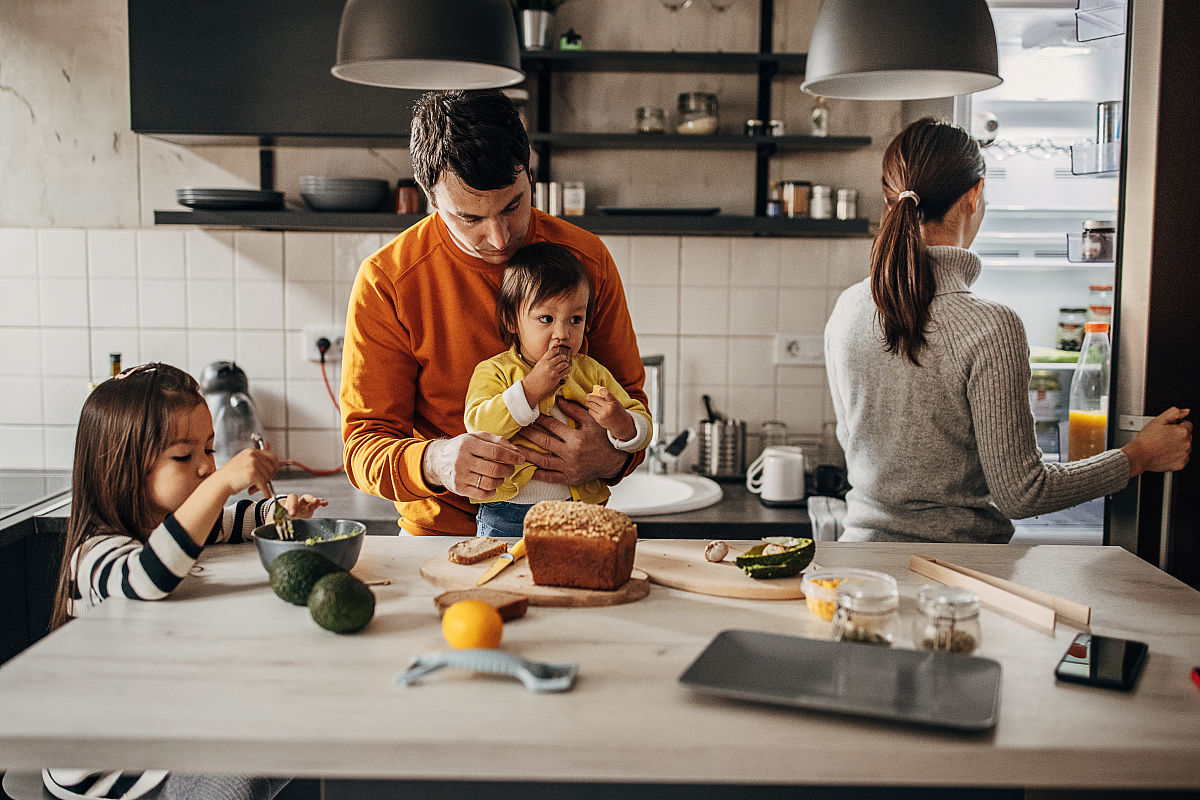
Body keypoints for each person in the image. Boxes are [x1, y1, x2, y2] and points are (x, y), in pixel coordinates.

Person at [823, 117, 1192, 543]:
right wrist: (1138, 455)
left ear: (890, 201)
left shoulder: (848, 308)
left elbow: (854, 444)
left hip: (859, 562)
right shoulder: (989, 327)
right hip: (954, 571)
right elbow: (1023, 493)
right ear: (974, 194)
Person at [340, 89, 648, 537]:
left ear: (528, 167)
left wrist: (612, 458)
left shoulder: (587, 259)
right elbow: (363, 447)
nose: (500, 238)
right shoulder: (387, 280)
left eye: (513, 205)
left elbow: (632, 402)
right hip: (438, 538)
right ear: (430, 197)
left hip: (569, 529)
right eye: (470, 218)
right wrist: (434, 461)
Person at [46, 362, 325, 800]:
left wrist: (276, 512)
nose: (205, 468)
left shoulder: (166, 525)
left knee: (285, 730)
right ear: (121, 466)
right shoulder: (94, 554)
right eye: (183, 456)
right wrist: (222, 484)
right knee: (253, 754)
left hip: (155, 725)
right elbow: (147, 577)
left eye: (209, 451)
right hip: (105, 765)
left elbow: (227, 523)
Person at [464, 242, 652, 537]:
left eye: (575, 319)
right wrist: (530, 389)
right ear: (512, 320)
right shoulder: (495, 371)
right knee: (503, 567)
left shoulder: (591, 372)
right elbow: (478, 426)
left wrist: (622, 423)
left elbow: (642, 425)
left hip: (579, 508)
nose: (562, 334)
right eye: (546, 319)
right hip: (506, 510)